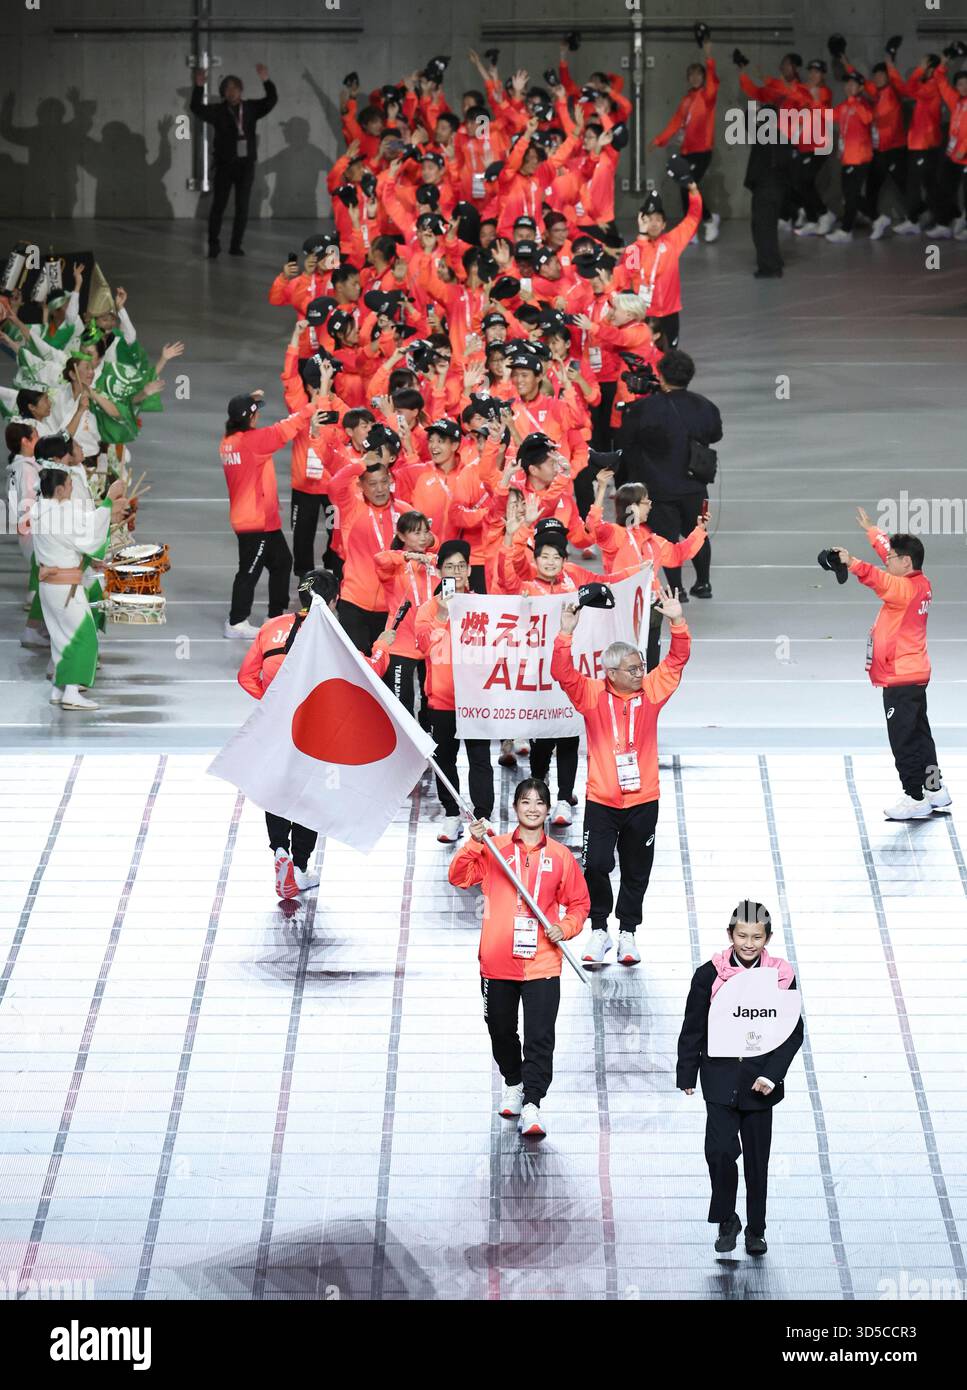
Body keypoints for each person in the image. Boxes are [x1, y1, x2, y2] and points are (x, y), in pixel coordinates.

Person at [551, 584, 690, 966]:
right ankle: (600, 930)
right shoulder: (591, 694)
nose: (640, 672)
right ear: (610, 672)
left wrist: (677, 622)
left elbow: (677, 661)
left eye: (641, 666)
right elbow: (560, 671)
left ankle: (627, 932)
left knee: (636, 869)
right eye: (632, 668)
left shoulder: (652, 691)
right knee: (595, 864)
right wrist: (566, 632)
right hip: (601, 800)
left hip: (644, 800)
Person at [237, 568, 395, 899]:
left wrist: (272, 703)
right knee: (311, 795)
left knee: (277, 789)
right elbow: (370, 671)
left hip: (276, 726)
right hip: (316, 730)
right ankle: (301, 865)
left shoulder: (271, 628)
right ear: (334, 600)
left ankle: (279, 849)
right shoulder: (333, 636)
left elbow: (246, 676)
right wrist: (382, 646)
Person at [447, 777, 591, 1139]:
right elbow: (459, 877)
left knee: (540, 1036)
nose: (532, 808)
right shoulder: (494, 849)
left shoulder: (560, 857)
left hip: (542, 962)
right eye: (525, 802)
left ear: (547, 809)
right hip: (497, 962)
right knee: (500, 1029)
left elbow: (579, 903)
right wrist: (472, 844)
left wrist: (566, 927)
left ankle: (533, 1104)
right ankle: (513, 1081)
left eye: (539, 803)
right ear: (515, 807)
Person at [677, 900, 804, 1257]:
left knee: (756, 1163)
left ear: (768, 938)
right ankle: (726, 1218)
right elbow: (693, 1026)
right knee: (718, 1152)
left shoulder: (781, 975)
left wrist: (771, 1075)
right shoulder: (708, 975)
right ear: (730, 934)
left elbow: (793, 1031)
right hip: (718, 1079)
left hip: (759, 1084)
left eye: (757, 937)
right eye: (742, 935)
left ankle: (756, 1230)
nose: (749, 943)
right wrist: (687, 1072)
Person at [832, 512, 950, 820]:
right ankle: (935, 790)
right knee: (921, 735)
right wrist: (873, 531)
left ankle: (914, 796)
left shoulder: (901, 589)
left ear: (906, 563)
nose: (887, 561)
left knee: (904, 740)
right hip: (916, 674)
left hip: (899, 678)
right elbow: (888, 555)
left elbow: (876, 576)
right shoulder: (921, 583)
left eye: (892, 559)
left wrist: (851, 561)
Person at [30, 438, 130, 711]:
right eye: (71, 486)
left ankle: (57, 689)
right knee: (83, 636)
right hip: (65, 588)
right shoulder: (62, 514)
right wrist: (109, 502)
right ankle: (72, 691)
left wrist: (108, 515)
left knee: (61, 637)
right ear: (60, 488)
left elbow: (78, 533)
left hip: (50, 587)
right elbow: (88, 535)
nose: (73, 489)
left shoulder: (38, 509)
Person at [616, 350, 720, 600]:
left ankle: (677, 589)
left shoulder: (643, 408)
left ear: (660, 376)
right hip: (694, 483)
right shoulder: (706, 406)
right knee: (697, 533)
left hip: (658, 486)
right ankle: (703, 583)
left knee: (666, 538)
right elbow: (715, 435)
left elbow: (625, 441)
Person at [415, 538, 495, 843]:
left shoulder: (483, 605)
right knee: (445, 759)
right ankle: (452, 814)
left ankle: (483, 816)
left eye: (462, 566)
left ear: (469, 569)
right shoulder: (428, 609)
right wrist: (443, 614)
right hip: (442, 700)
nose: (457, 572)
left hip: (476, 698)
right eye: (450, 567)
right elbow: (422, 644)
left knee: (480, 759)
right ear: (439, 572)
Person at [220, 389, 315, 640]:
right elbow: (284, 430)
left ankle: (275, 616)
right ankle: (236, 621)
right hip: (255, 522)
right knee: (249, 571)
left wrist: (248, 399)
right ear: (249, 419)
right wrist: (310, 408)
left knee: (282, 562)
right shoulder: (252, 441)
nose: (258, 416)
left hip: (262, 518)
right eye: (255, 412)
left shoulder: (230, 440)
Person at [191, 64, 277, 258]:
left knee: (242, 206)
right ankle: (214, 244)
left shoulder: (251, 108)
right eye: (227, 88)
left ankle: (235, 246)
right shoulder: (218, 111)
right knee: (218, 205)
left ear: (241, 90)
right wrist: (198, 87)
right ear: (223, 93)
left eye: (235, 88)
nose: (232, 92)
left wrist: (266, 81)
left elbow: (271, 100)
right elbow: (195, 108)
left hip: (245, 166)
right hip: (224, 165)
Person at [650, 35, 721, 242]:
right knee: (685, 188)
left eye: (698, 74)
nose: (695, 78)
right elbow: (675, 123)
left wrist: (708, 56)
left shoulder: (707, 97)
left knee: (689, 186)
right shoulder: (686, 99)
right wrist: (658, 141)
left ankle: (707, 219)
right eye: (691, 75)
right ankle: (693, 227)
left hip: (703, 151)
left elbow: (713, 82)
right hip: (686, 151)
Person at [613, 184, 703, 347]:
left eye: (658, 219)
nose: (653, 224)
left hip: (670, 313)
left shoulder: (673, 241)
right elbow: (628, 275)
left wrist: (693, 191)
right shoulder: (634, 249)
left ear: (664, 225)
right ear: (641, 221)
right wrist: (641, 238)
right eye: (649, 219)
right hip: (644, 315)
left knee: (670, 355)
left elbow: (693, 218)